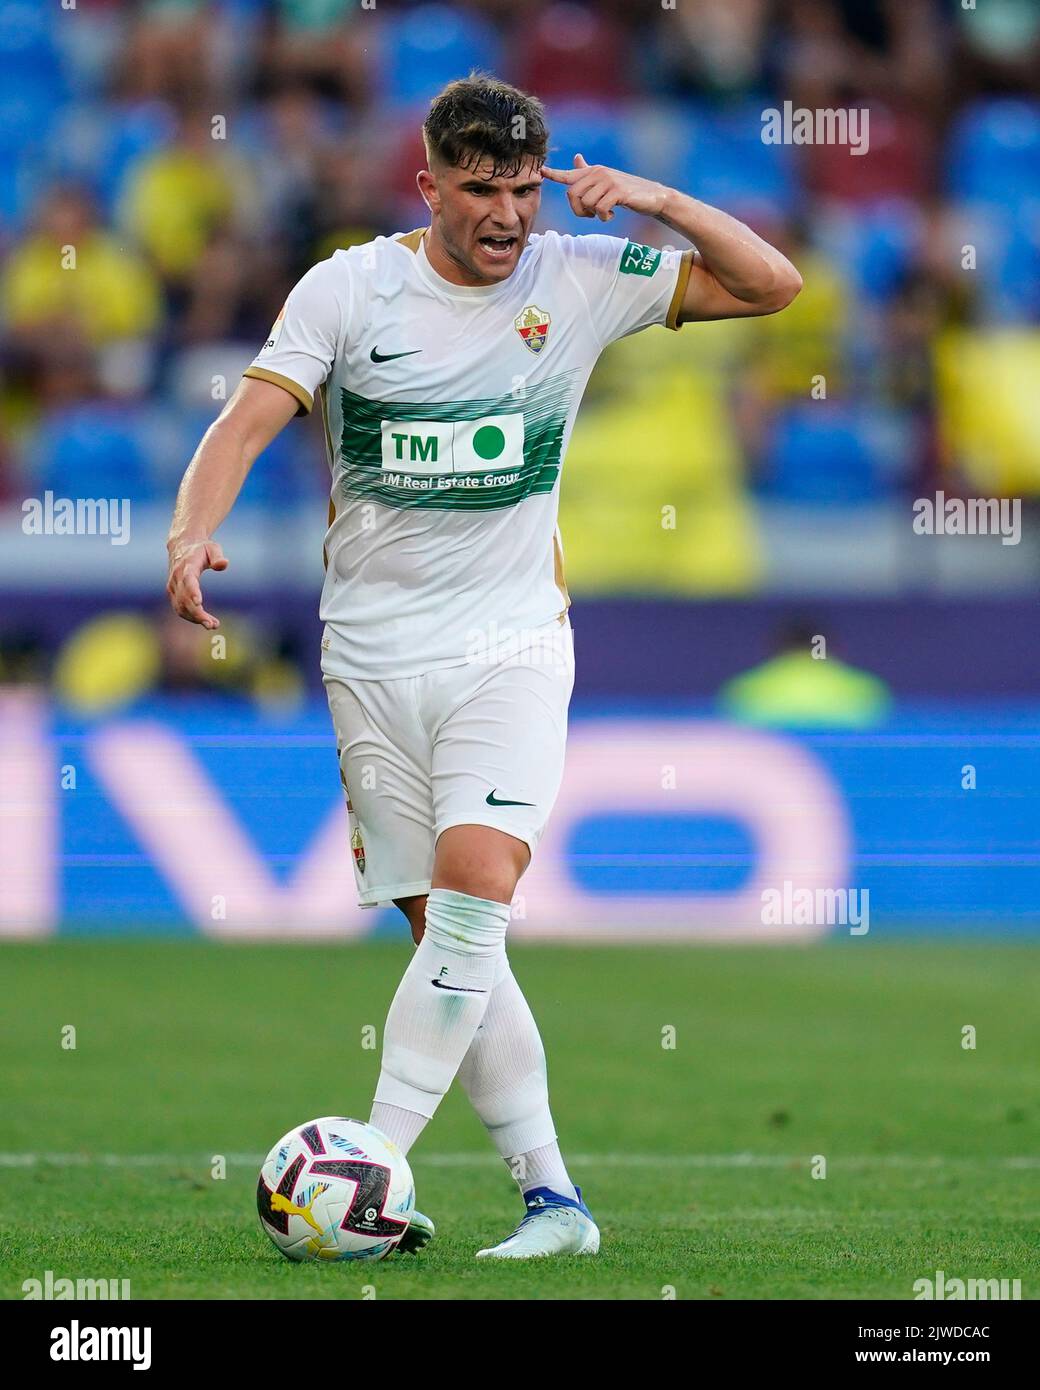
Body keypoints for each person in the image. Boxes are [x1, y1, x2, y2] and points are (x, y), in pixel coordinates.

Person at [165, 75, 801, 1260]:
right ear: (430, 186)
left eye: (521, 186)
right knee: (449, 940)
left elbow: (773, 285)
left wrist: (656, 199)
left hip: (510, 644)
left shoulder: (579, 276)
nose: (506, 213)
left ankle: (373, 1159)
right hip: (367, 652)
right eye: (478, 189)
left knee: (471, 902)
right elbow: (246, 419)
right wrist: (191, 525)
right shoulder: (350, 288)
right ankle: (553, 1200)